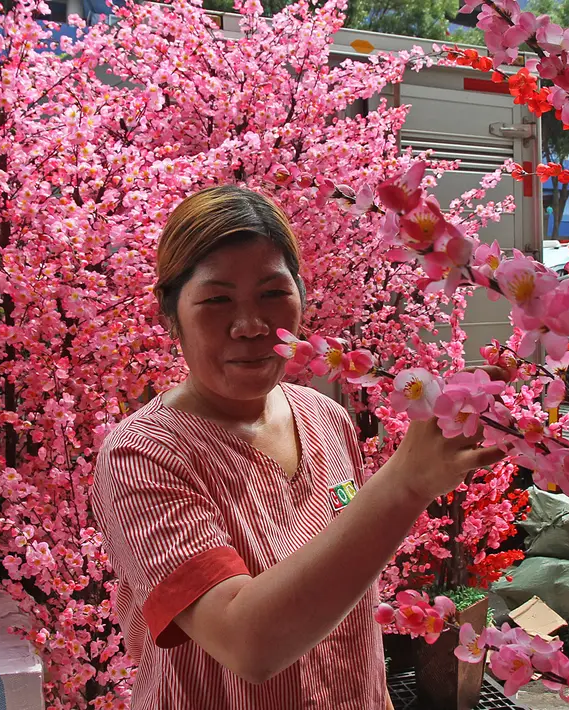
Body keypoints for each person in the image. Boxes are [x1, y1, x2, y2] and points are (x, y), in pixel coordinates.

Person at [90, 185, 508, 709]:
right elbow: (247, 643)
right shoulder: (145, 454)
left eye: (272, 293)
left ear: (301, 296)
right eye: (217, 300)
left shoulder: (324, 419)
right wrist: (404, 484)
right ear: (169, 313)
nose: (251, 326)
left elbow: (352, 609)